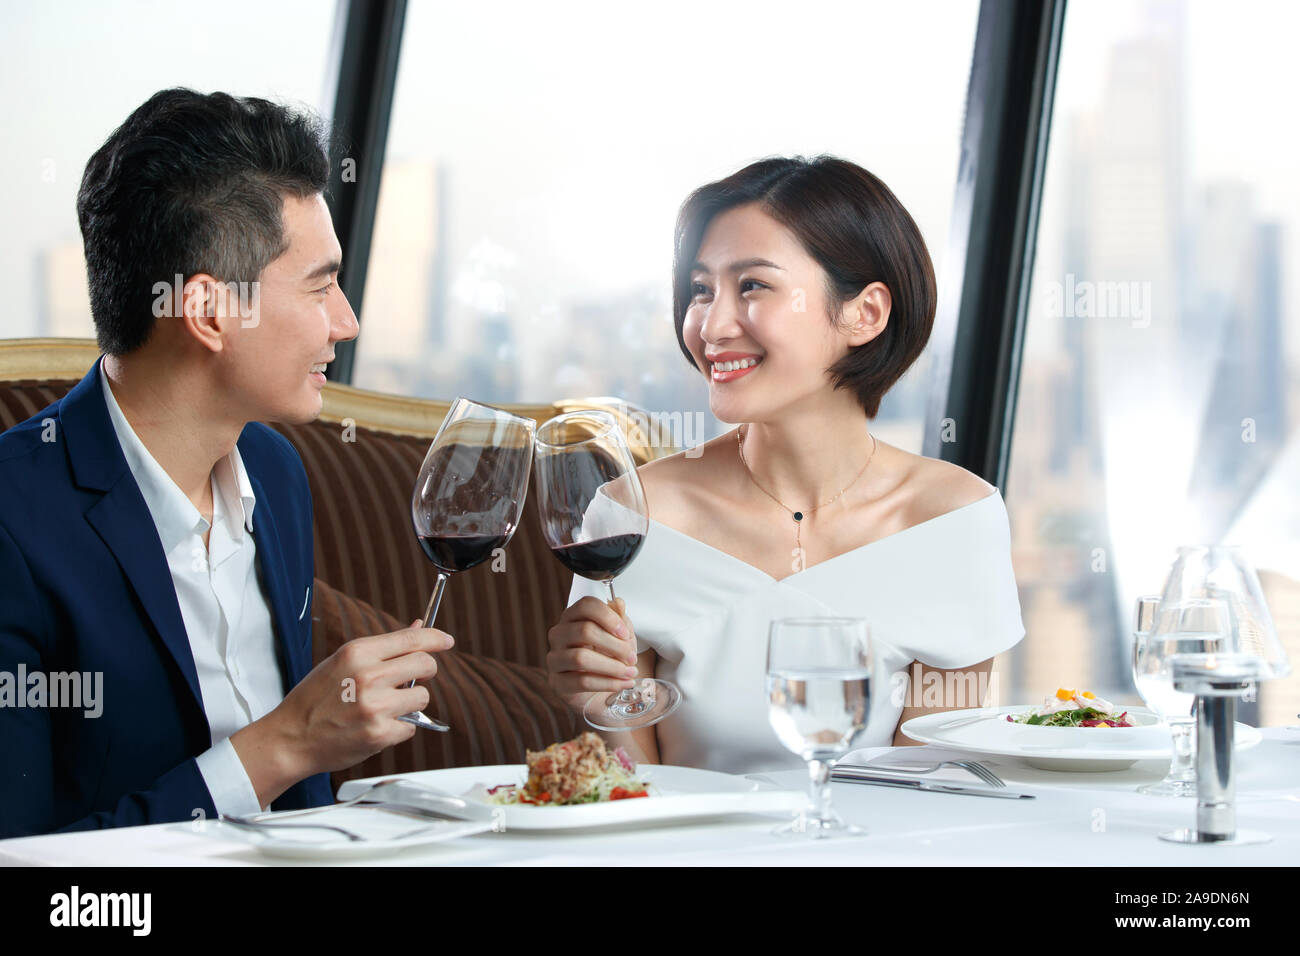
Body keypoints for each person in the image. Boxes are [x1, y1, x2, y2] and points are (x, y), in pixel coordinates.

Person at [0, 89, 454, 837]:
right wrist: (283, 746)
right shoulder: (15, 523)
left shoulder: (274, 471)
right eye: (320, 285)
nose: (347, 321)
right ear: (211, 312)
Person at [545, 156, 1025, 773]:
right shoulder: (634, 516)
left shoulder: (952, 522)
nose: (712, 325)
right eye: (700, 289)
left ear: (865, 314)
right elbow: (632, 792)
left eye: (752, 286)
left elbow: (922, 786)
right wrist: (599, 706)